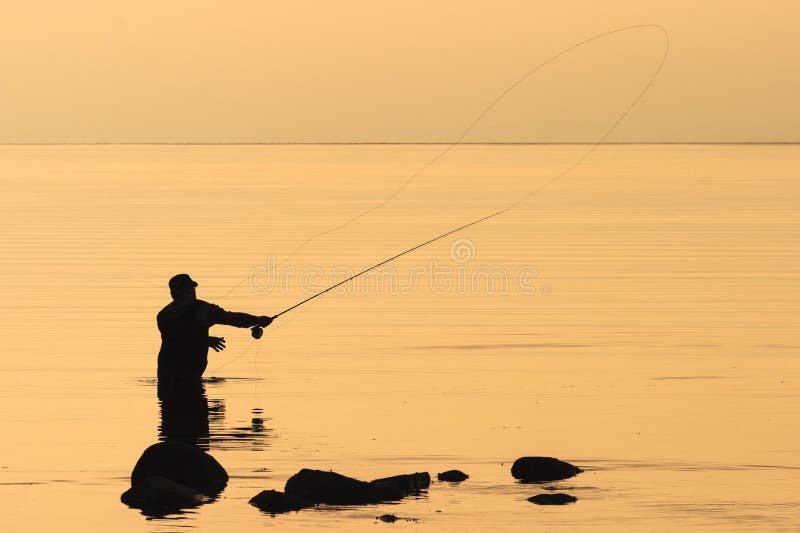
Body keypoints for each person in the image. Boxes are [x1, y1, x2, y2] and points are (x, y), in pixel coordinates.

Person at [157, 273, 272, 380]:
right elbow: (233, 319)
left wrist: (205, 340)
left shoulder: (163, 315)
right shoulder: (203, 309)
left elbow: (179, 339)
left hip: (165, 372)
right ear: (190, 290)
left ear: (172, 294)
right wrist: (258, 320)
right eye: (193, 287)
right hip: (189, 373)